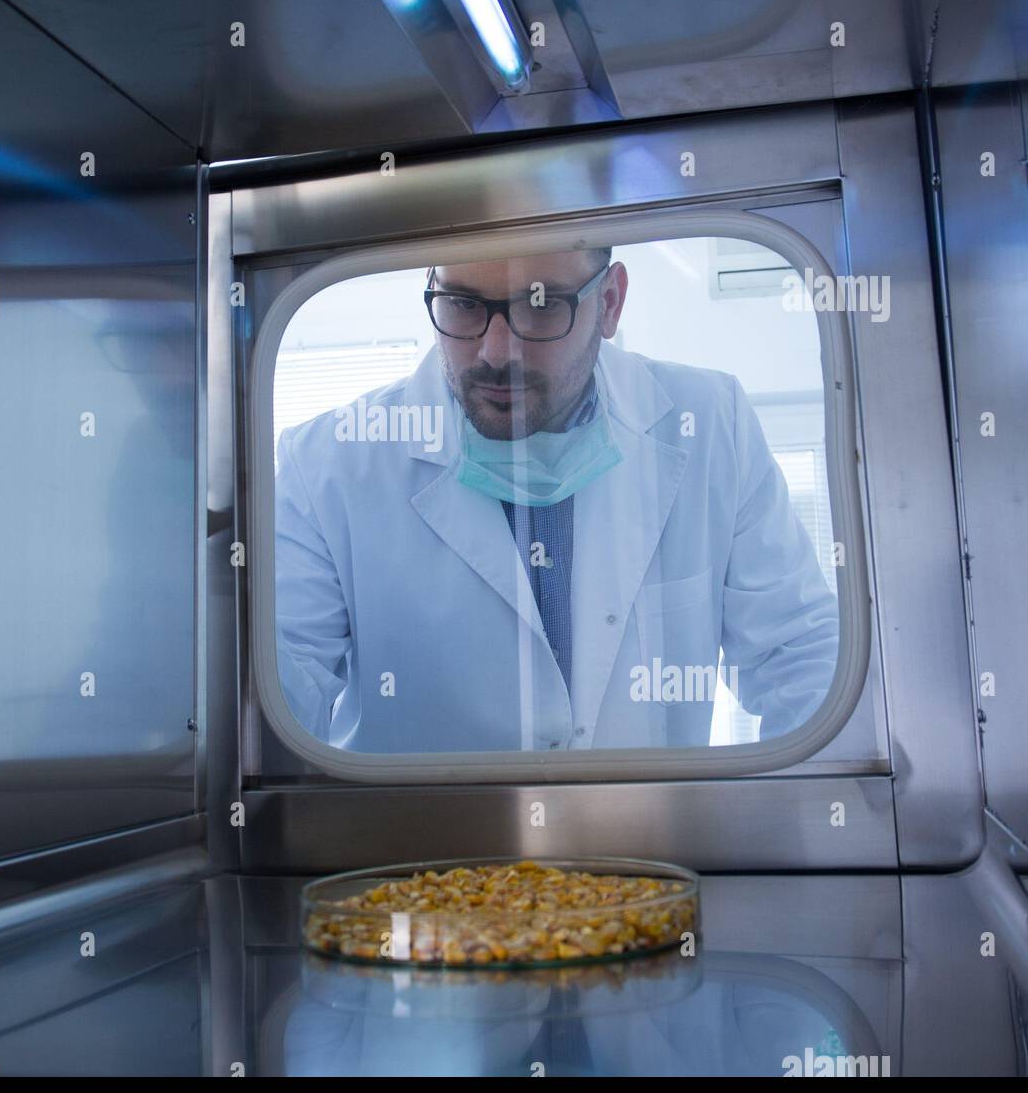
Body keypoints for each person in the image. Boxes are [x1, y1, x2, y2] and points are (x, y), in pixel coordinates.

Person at [273, 245, 838, 753]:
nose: (495, 352)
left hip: (648, 856)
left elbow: (799, 658)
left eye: (540, 306)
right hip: (417, 861)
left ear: (610, 302)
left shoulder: (710, 422)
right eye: (464, 304)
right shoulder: (327, 463)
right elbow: (275, 706)